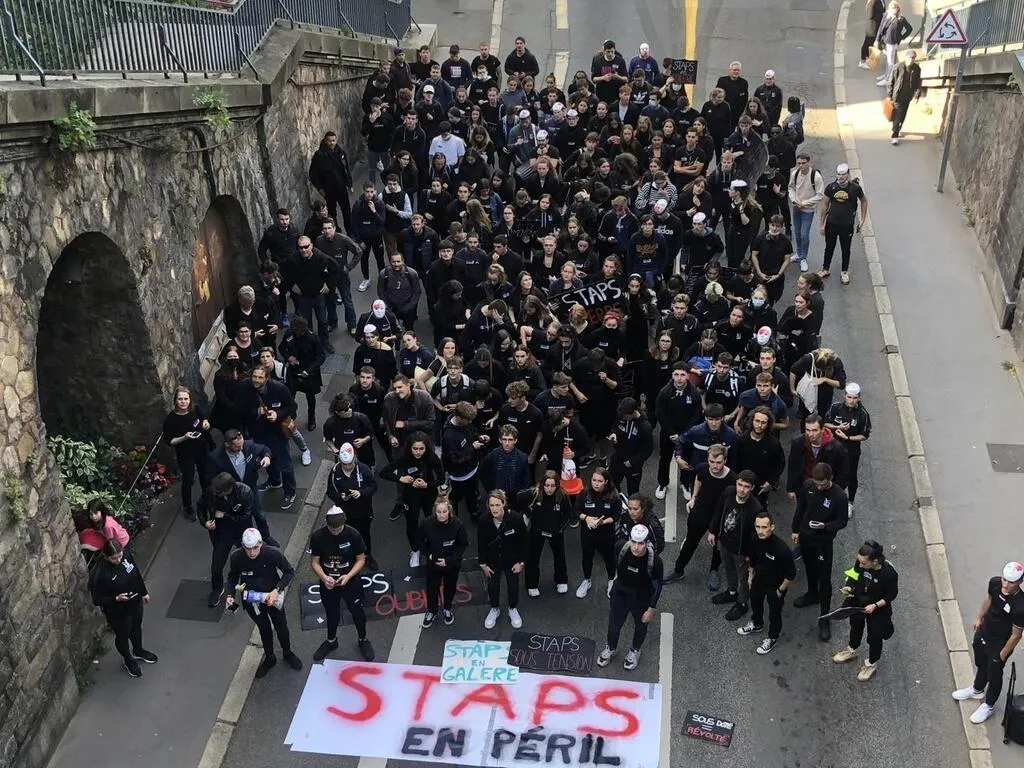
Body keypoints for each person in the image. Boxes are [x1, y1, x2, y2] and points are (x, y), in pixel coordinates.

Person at [951, 561, 1024, 723]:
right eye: (1004, 579)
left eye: (1010, 582)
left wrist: (1003, 654)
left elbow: (1016, 634)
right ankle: (977, 689)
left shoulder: (1020, 606)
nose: (1005, 585)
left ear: (1019, 582)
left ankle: (988, 705)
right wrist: (978, 618)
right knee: (980, 663)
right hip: (984, 631)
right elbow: (989, 599)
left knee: (995, 673)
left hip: (999, 643)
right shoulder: (995, 583)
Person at [224, 528, 302, 678]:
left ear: (261, 543)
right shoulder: (237, 557)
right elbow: (232, 576)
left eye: (255, 548)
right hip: (252, 600)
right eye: (248, 549)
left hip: (272, 597)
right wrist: (230, 595)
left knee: (281, 627)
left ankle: (287, 652)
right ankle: (269, 657)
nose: (252, 552)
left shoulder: (272, 553)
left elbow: (289, 571)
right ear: (242, 546)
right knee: (263, 628)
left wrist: (277, 590)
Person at [306, 507, 376, 663]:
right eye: (333, 529)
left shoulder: (353, 534)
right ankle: (331, 641)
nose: (336, 532)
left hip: (350, 582)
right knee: (332, 613)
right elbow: (315, 562)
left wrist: (348, 576)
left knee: (357, 612)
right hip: (329, 583)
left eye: (339, 529)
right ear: (327, 524)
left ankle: (363, 639)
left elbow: (361, 560)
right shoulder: (318, 537)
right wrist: (324, 577)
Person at [791, 462, 850, 642]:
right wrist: (795, 529)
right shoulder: (809, 485)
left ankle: (824, 617)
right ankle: (811, 594)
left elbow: (842, 522)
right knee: (809, 568)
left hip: (823, 542)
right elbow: (800, 508)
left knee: (824, 579)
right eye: (816, 484)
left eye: (822, 484)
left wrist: (825, 526)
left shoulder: (839, 496)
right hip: (806, 537)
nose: (818, 487)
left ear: (830, 479)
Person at [597, 524, 663, 671]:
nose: (636, 547)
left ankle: (635, 650)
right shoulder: (621, 547)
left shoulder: (655, 561)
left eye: (640, 543)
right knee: (614, 624)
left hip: (641, 597)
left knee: (640, 625)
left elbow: (658, 585)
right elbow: (615, 565)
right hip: (620, 592)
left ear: (647, 543)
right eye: (634, 542)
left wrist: (652, 608)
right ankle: (611, 648)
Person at [831, 540, 899, 681]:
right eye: (859, 561)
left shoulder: (889, 573)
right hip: (859, 601)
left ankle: (871, 663)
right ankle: (851, 650)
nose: (860, 564)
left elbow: (891, 595)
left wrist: (875, 605)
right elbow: (854, 573)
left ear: (875, 561)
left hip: (878, 608)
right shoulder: (860, 563)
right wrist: (849, 586)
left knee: (875, 636)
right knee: (855, 627)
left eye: (864, 563)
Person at [88, 539, 155, 678]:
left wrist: (144, 592)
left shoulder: (126, 556)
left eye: (120, 555)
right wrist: (115, 599)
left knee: (136, 628)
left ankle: (138, 650)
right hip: (117, 612)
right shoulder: (100, 573)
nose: (119, 560)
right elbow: (97, 599)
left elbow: (136, 574)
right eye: (114, 558)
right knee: (123, 635)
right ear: (106, 556)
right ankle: (128, 659)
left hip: (135, 602)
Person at [380, 431, 446, 566]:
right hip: (410, 495)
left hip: (428, 494)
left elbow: (441, 479)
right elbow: (384, 472)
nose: (418, 452)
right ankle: (415, 551)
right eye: (415, 448)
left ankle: (431, 548)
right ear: (410, 448)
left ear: (426, 447)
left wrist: (427, 484)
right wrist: (401, 479)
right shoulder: (405, 458)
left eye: (421, 448)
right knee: (411, 523)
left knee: (432, 521)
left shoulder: (432, 458)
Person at [737, 510, 795, 655]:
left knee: (775, 613)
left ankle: (772, 637)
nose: (760, 531)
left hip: (775, 586)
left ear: (772, 527)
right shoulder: (755, 539)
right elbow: (753, 559)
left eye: (764, 527)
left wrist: (780, 590)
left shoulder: (782, 549)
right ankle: (757, 624)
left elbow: (791, 574)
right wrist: (751, 576)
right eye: (758, 527)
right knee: (756, 603)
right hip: (759, 580)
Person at [708, 470, 763, 620]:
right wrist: (713, 531)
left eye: (746, 486)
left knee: (743, 577)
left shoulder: (755, 509)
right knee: (728, 567)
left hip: (741, 550)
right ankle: (732, 592)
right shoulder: (728, 493)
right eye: (739, 484)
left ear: (752, 488)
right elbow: (718, 511)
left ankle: (743, 603)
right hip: (725, 541)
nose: (741, 489)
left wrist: (751, 558)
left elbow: (756, 537)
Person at [208, 429, 277, 546]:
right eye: (237, 447)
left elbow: (264, 449)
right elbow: (211, 478)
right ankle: (246, 542)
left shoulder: (248, 446)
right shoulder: (215, 458)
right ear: (227, 445)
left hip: (250, 488)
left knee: (259, 513)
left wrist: (267, 457)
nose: (241, 449)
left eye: (242, 446)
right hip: (232, 494)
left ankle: (266, 536)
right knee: (242, 519)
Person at [242, 366, 298, 510]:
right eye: (254, 376)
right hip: (258, 433)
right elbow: (238, 410)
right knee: (267, 460)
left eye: (260, 377)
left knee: (285, 464)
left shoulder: (279, 389)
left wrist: (277, 415)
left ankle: (290, 492)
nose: (256, 380)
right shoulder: (246, 389)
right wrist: (256, 412)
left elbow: (292, 406)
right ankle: (274, 481)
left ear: (267, 378)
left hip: (277, 433)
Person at [199, 473, 257, 607]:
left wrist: (225, 515)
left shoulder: (245, 492)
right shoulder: (211, 492)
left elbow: (246, 516)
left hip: (241, 532)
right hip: (222, 533)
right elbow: (201, 507)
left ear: (230, 487)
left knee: (251, 559)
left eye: (219, 492)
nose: (216, 494)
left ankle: (252, 584)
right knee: (216, 566)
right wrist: (205, 522)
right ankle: (217, 589)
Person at [478, 490, 529, 630]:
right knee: (493, 586)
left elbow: (524, 542)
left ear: (504, 504)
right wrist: (483, 564)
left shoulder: (516, 519)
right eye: (491, 505)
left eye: (497, 505)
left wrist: (521, 562)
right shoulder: (483, 520)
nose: (494, 508)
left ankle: (512, 608)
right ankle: (495, 608)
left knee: (513, 586)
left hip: (512, 560)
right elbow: (481, 544)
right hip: (492, 561)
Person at [163, 386, 212, 521]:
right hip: (185, 453)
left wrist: (206, 424)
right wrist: (184, 437)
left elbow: (204, 419)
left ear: (190, 400)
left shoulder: (195, 410)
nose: (183, 402)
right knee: (188, 479)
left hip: (201, 449)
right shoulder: (170, 420)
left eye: (186, 399)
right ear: (175, 401)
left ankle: (208, 500)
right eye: (180, 399)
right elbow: (170, 441)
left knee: (205, 476)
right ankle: (187, 506)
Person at [418, 498, 468, 628]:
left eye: (444, 511)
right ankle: (432, 611)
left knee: (450, 586)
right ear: (435, 511)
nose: (441, 514)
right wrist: (429, 555)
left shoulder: (458, 525)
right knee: (431, 587)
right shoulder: (426, 523)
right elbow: (419, 541)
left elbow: (462, 544)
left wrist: (449, 560)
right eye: (439, 512)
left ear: (449, 511)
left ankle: (447, 608)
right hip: (433, 563)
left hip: (451, 564)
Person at [326, 442, 378, 568]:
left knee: (365, 534)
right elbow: (331, 492)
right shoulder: (334, 473)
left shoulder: (364, 469)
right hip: (345, 513)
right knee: (347, 535)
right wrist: (340, 497)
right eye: (345, 464)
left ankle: (367, 554)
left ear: (354, 459)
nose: (348, 467)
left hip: (363, 511)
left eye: (350, 463)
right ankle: (351, 556)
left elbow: (373, 486)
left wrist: (361, 493)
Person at [824, 383, 871, 516]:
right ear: (844, 396)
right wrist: (837, 426)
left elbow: (864, 435)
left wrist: (847, 437)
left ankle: (850, 502)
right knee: (831, 472)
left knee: (851, 476)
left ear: (859, 398)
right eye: (849, 397)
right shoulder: (835, 407)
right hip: (833, 447)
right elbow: (825, 423)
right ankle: (830, 499)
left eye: (854, 398)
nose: (851, 400)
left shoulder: (862, 414)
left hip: (851, 450)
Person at [575, 467, 621, 599]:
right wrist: (587, 518)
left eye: (600, 481)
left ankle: (611, 580)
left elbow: (616, 515)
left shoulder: (613, 496)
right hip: (587, 533)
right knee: (587, 558)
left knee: (609, 558)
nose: (596, 483)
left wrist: (603, 522)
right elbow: (576, 511)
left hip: (606, 534)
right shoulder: (584, 493)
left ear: (606, 481)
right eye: (594, 480)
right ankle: (587, 580)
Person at [819, 163, 867, 285]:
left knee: (846, 249)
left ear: (847, 174)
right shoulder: (831, 187)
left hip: (847, 224)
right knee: (829, 247)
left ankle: (844, 271)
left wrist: (862, 219)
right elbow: (825, 205)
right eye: (838, 174)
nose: (840, 177)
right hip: (831, 223)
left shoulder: (855, 188)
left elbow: (864, 201)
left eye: (843, 174)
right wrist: (822, 223)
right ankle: (825, 268)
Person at [608, 397, 654, 495]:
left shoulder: (645, 427)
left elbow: (648, 450)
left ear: (634, 412)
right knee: (612, 482)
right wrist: (614, 434)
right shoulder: (622, 415)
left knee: (633, 491)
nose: (623, 418)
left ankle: (631, 508)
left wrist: (633, 461)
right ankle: (617, 500)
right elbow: (615, 427)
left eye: (626, 416)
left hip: (633, 463)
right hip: (618, 456)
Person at [788, 153, 824, 273]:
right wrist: (794, 200)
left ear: (809, 162)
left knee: (804, 234)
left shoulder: (816, 176)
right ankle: (798, 253)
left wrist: (805, 203)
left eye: (804, 163)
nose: (801, 166)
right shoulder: (795, 173)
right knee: (797, 232)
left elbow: (820, 195)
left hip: (808, 209)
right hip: (796, 207)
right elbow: (791, 188)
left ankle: (803, 257)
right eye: (799, 163)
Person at [886, 49, 921, 146]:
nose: (911, 60)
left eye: (913, 58)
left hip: (907, 96)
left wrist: (917, 94)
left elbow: (918, 82)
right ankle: (894, 136)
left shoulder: (916, 69)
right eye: (910, 58)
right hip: (897, 96)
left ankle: (897, 128)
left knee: (903, 116)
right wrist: (889, 95)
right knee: (897, 116)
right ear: (905, 58)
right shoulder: (898, 67)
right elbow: (891, 82)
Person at [874, 1, 913, 86]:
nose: (893, 10)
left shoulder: (901, 19)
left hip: (893, 43)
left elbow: (909, 29)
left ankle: (888, 79)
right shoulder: (886, 15)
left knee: (890, 61)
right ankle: (886, 75)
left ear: (898, 9)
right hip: (885, 42)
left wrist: (902, 37)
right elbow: (881, 28)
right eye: (891, 8)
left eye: (895, 8)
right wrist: (877, 39)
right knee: (888, 60)